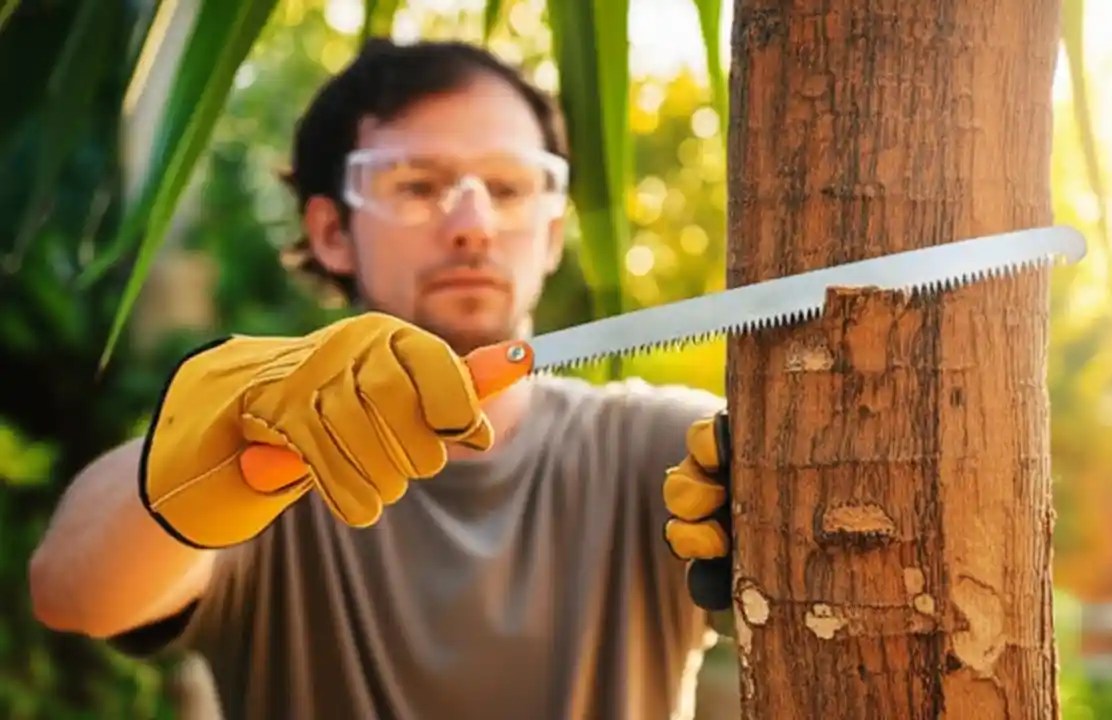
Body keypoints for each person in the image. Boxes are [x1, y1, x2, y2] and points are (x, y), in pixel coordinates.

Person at [27, 39, 737, 719]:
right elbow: (71, 590)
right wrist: (218, 442)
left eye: (509, 187)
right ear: (331, 230)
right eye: (418, 185)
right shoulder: (264, 452)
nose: (472, 224)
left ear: (552, 232)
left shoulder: (661, 445)